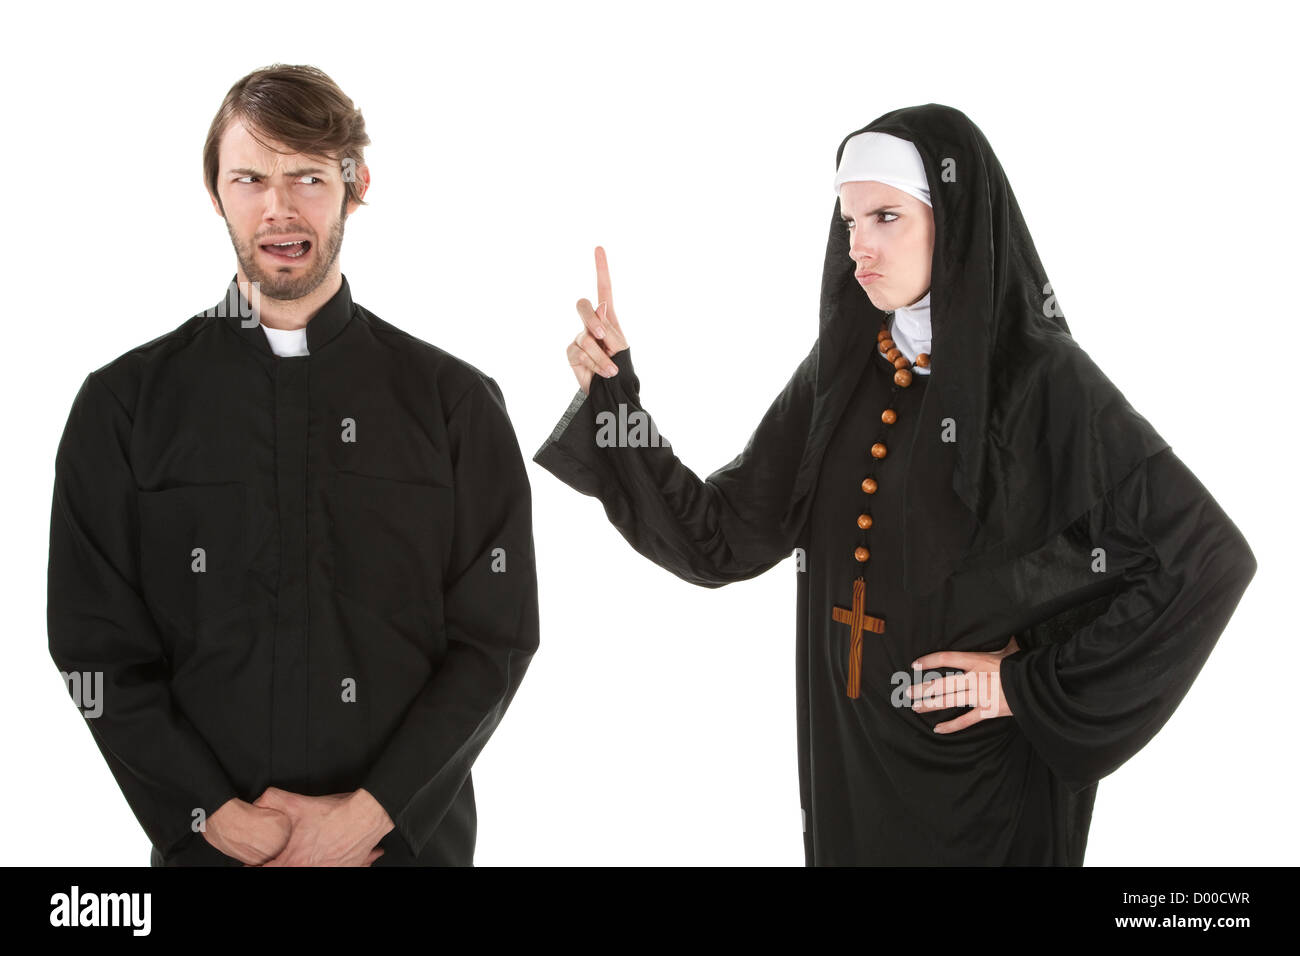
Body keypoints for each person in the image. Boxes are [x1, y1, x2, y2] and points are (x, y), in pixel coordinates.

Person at [533, 103, 1257, 865]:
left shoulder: (1044, 380)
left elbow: (1207, 558)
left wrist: (1024, 686)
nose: (860, 248)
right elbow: (722, 535)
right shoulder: (845, 370)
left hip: (979, 785)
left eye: (886, 217)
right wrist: (618, 400)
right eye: (849, 224)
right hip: (851, 773)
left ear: (954, 219)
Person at [46, 64, 539, 866]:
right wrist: (213, 815)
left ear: (357, 185)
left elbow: (495, 643)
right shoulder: (123, 406)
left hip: (402, 850)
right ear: (215, 191)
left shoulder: (456, 405)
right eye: (249, 177)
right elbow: (92, 647)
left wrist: (369, 816)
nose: (278, 207)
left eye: (309, 176)